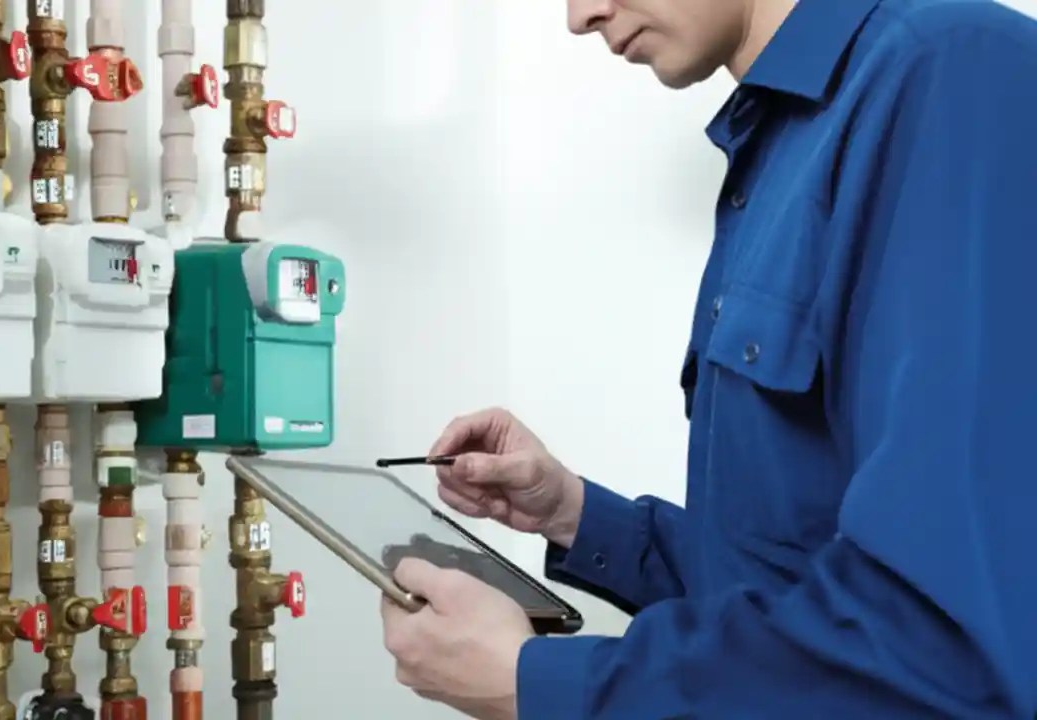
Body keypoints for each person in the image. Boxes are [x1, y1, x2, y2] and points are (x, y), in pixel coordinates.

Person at [377, 0, 1037, 717]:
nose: (580, 15)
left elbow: (945, 645)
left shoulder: (954, 74)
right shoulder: (780, 141)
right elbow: (779, 577)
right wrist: (573, 513)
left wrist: (532, 681)